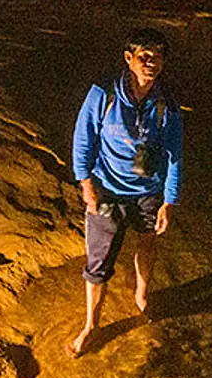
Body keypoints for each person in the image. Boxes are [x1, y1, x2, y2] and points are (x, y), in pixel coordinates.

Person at [68, 27, 183, 357]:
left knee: (147, 241)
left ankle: (142, 294)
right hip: (107, 189)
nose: (151, 63)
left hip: (148, 191)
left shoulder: (167, 104)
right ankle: (91, 325)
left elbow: (174, 154)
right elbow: (84, 137)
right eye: (144, 56)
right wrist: (86, 183)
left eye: (157, 57)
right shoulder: (103, 95)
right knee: (99, 260)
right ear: (128, 59)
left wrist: (169, 201)